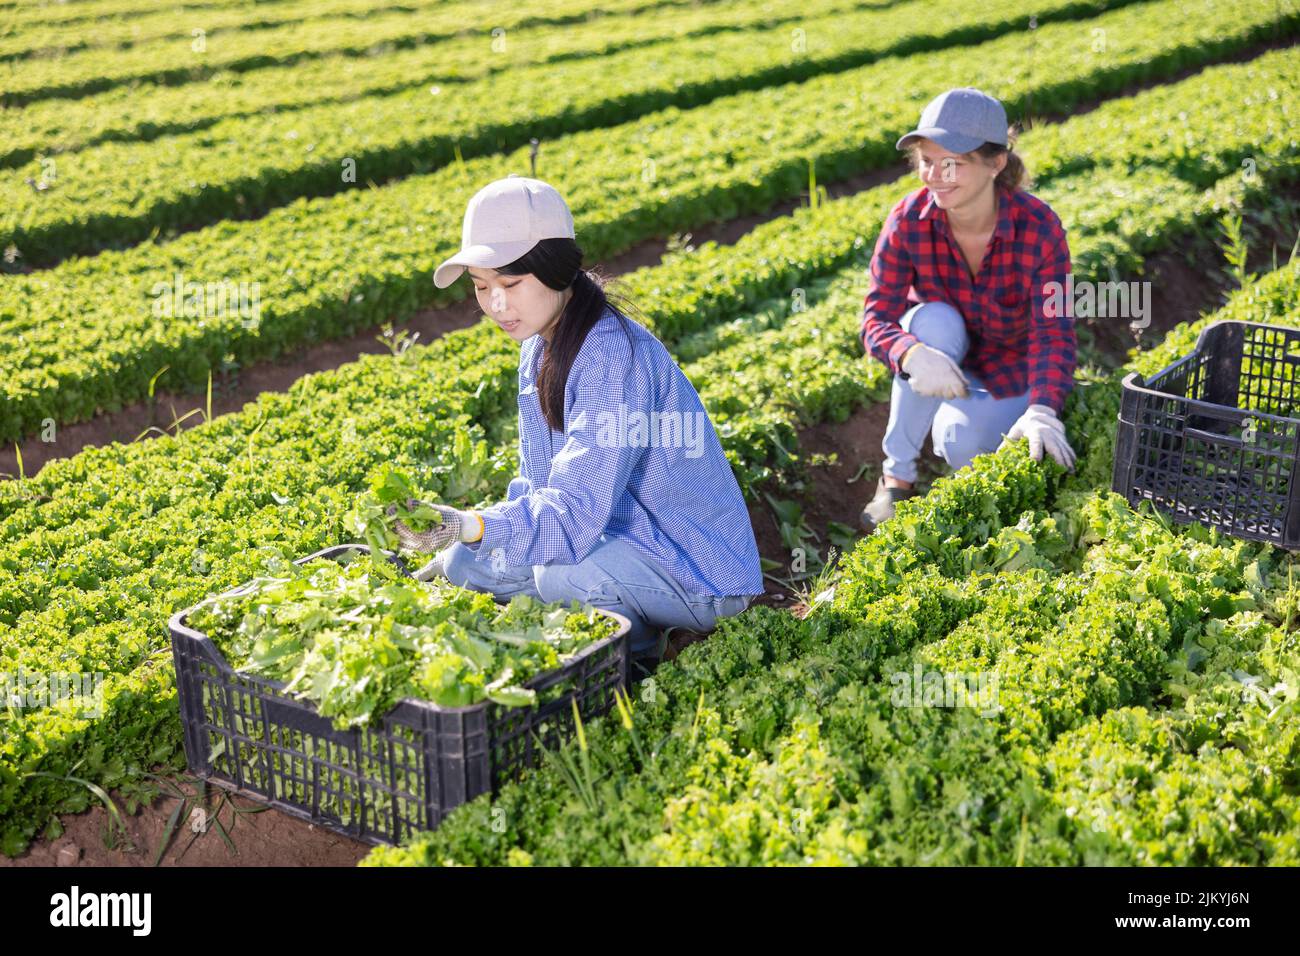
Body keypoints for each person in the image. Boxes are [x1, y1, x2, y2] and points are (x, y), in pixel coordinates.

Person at [394, 175, 764, 674]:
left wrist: (473, 523)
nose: (495, 304)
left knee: (560, 574)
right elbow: (540, 485)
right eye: (481, 287)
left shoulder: (611, 356)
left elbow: (572, 518)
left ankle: (638, 661)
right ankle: (634, 619)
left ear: (556, 268)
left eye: (510, 283)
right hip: (612, 536)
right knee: (465, 562)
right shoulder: (538, 345)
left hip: (693, 565)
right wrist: (462, 546)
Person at [858, 87, 1078, 530]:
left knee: (962, 443)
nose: (935, 175)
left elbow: (1053, 332)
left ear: (996, 163)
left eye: (952, 162)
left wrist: (1043, 408)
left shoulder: (1038, 226)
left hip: (1007, 366)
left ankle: (955, 420)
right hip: (943, 347)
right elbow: (877, 317)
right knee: (932, 321)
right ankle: (897, 476)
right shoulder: (908, 219)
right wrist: (910, 354)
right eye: (926, 160)